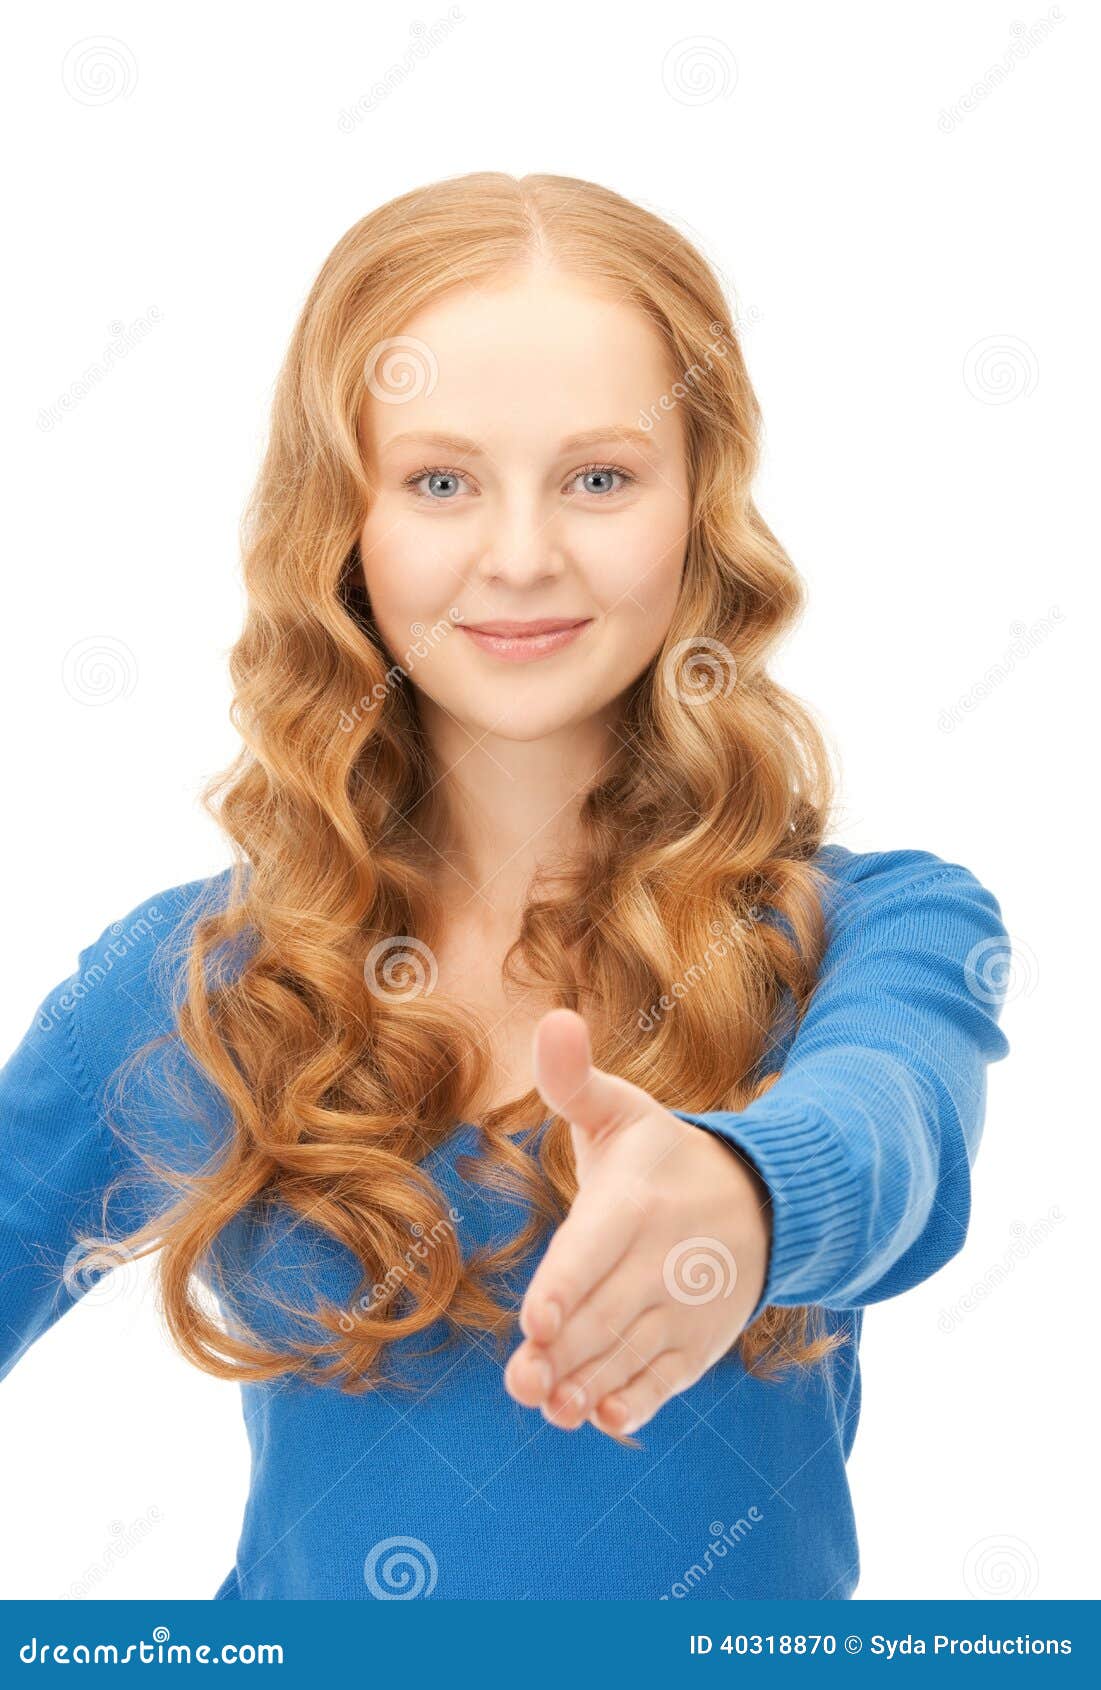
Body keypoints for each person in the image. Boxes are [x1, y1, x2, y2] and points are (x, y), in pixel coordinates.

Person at [0, 172, 1011, 1601]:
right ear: (342, 521)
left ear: (696, 508)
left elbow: (890, 1134)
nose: (524, 554)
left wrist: (739, 1187)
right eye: (438, 480)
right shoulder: (199, 976)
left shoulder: (881, 929)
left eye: (599, 476)